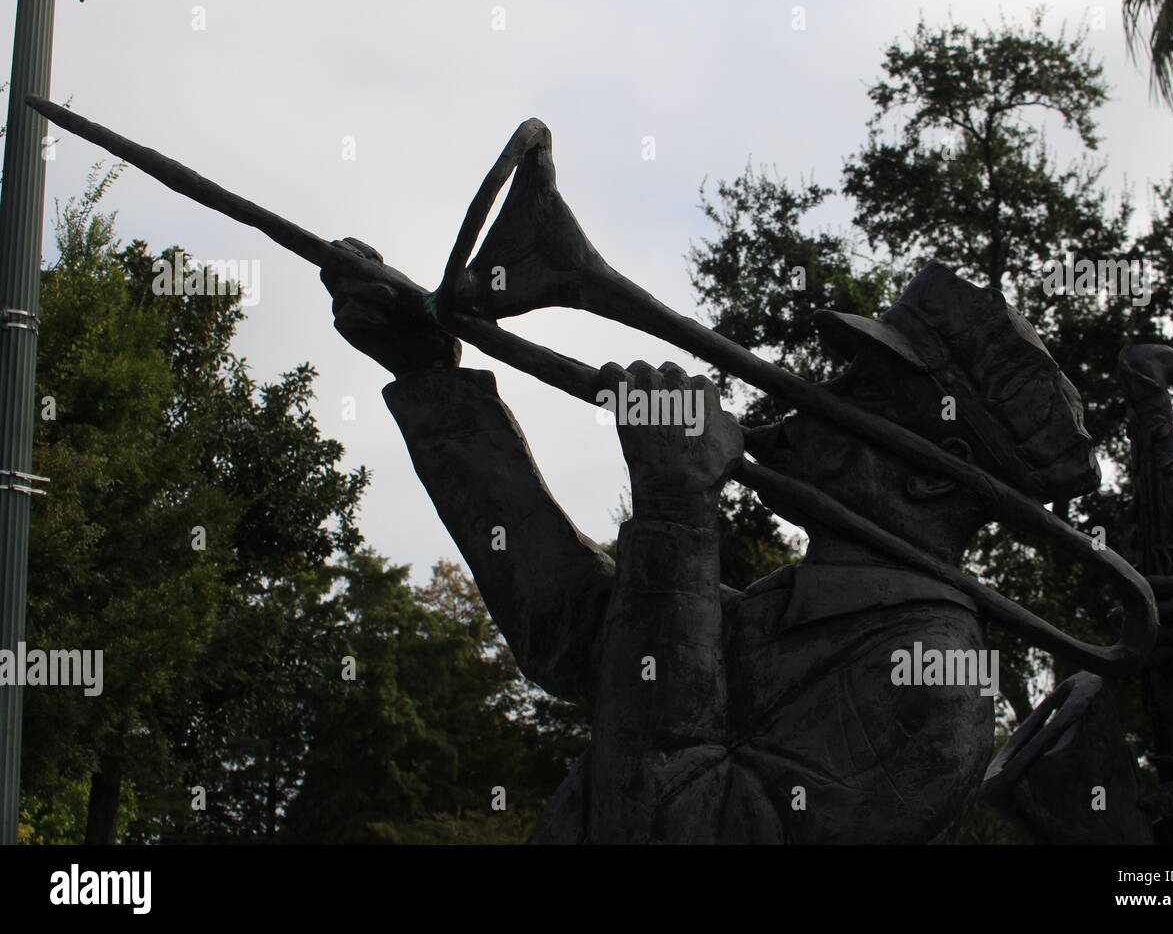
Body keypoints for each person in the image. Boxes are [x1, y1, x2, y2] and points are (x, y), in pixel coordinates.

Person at [324, 242, 1100, 843]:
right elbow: (570, 628)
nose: (813, 397)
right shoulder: (789, 611)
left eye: (859, 390)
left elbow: (670, 821)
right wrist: (430, 378)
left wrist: (677, 508)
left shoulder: (935, 680)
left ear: (937, 475)